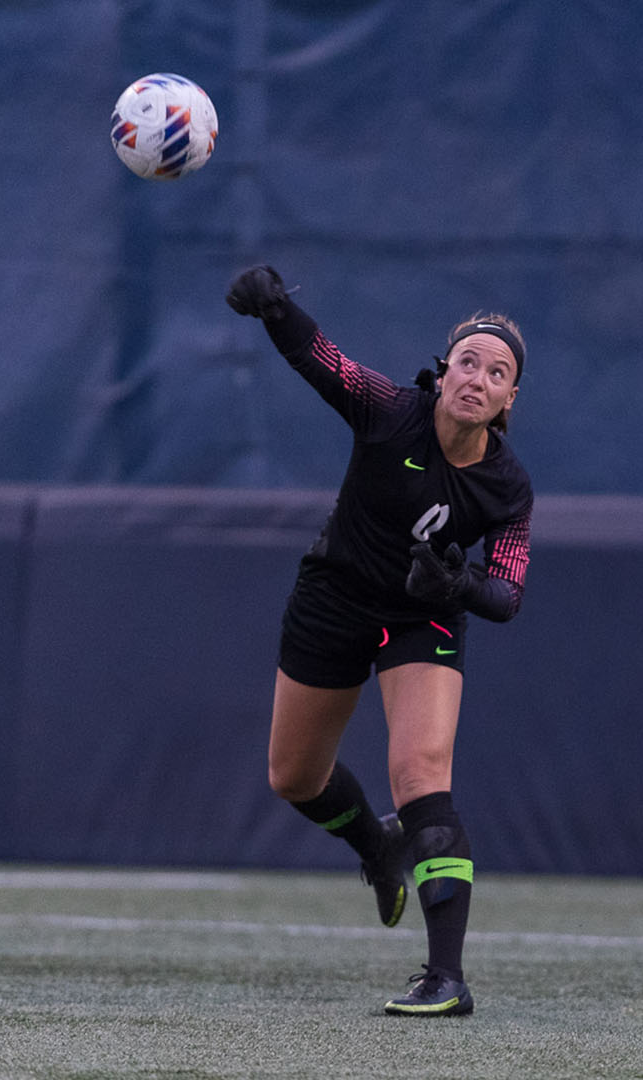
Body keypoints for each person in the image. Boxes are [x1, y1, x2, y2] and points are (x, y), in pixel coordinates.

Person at [225, 264, 534, 1017]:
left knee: (423, 774)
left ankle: (447, 978)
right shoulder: (391, 409)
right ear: (445, 369)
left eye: (498, 372)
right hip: (334, 595)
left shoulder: (509, 487)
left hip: (419, 617)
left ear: (508, 399)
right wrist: (272, 308)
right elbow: (323, 359)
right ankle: (376, 846)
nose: (479, 377)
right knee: (293, 777)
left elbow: (508, 595)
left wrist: (455, 587)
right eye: (470, 361)